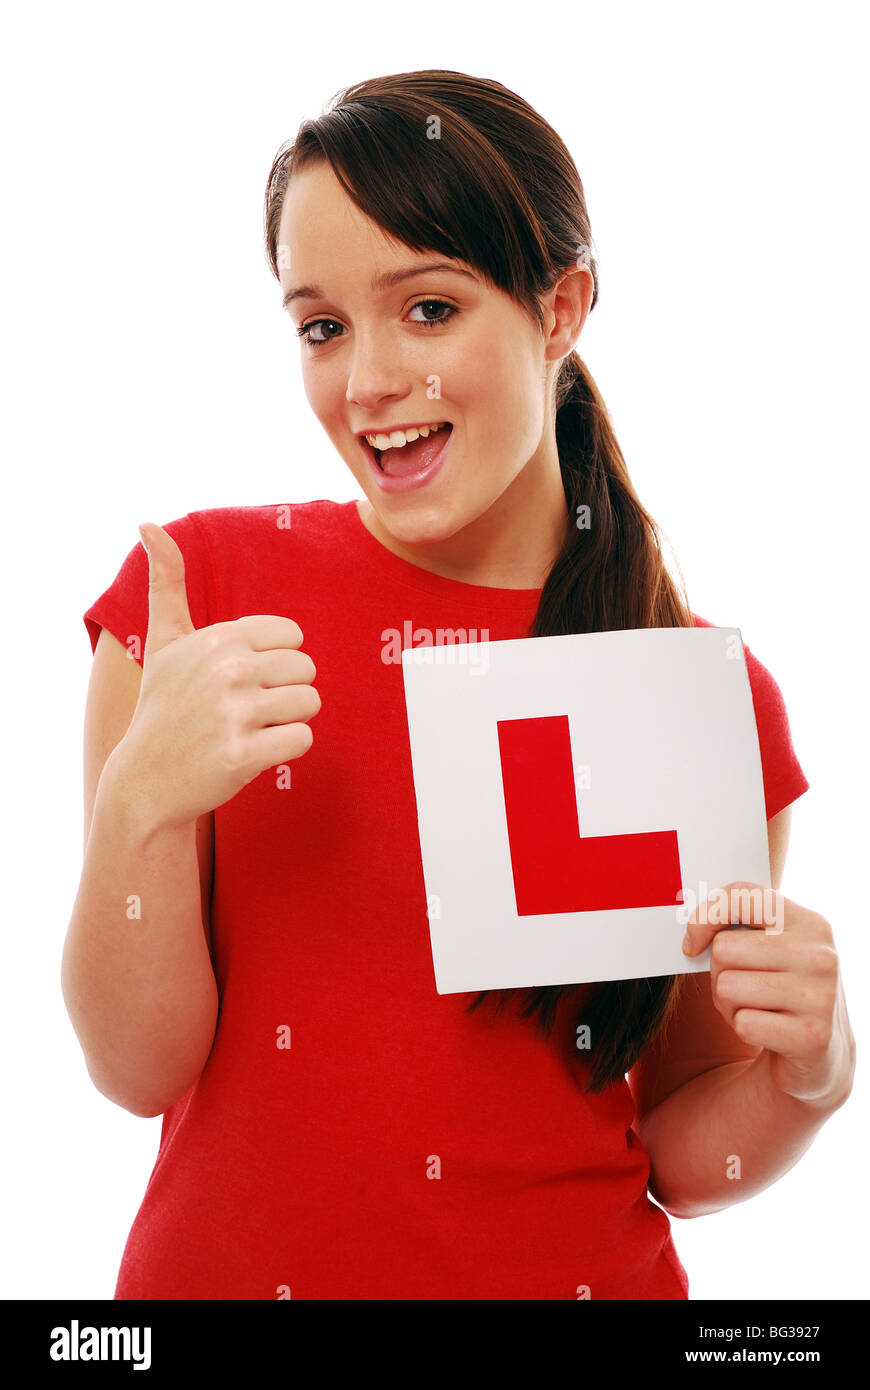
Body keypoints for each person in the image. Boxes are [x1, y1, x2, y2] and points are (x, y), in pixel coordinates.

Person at [62, 69, 855, 1300]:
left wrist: (803, 1084)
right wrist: (138, 808)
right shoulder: (197, 601)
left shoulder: (694, 689)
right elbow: (138, 1066)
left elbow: (681, 1148)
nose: (368, 381)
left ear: (560, 309)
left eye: (427, 309)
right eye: (322, 326)